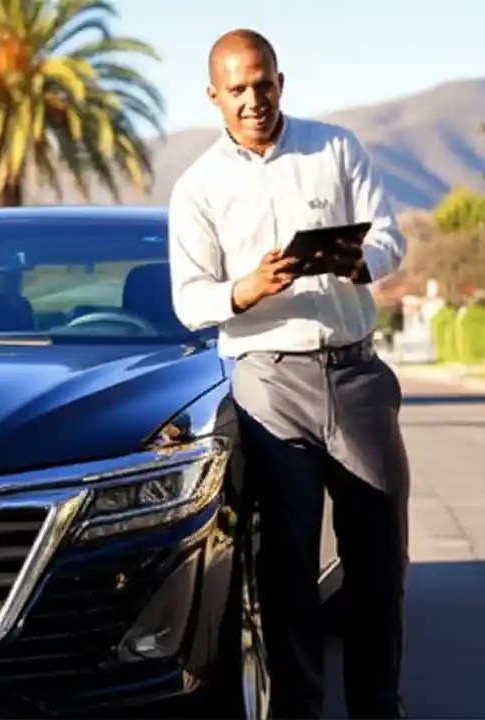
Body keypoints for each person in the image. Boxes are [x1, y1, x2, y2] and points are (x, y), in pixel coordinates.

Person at [167, 28, 411, 719]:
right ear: (213, 95)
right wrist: (243, 290)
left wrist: (344, 257)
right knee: (286, 573)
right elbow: (190, 300)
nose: (253, 100)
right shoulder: (197, 188)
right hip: (268, 383)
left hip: (356, 376)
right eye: (237, 89)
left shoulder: (336, 148)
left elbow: (390, 239)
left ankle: (378, 707)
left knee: (379, 563)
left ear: (281, 81)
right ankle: (297, 710)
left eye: (263, 83)